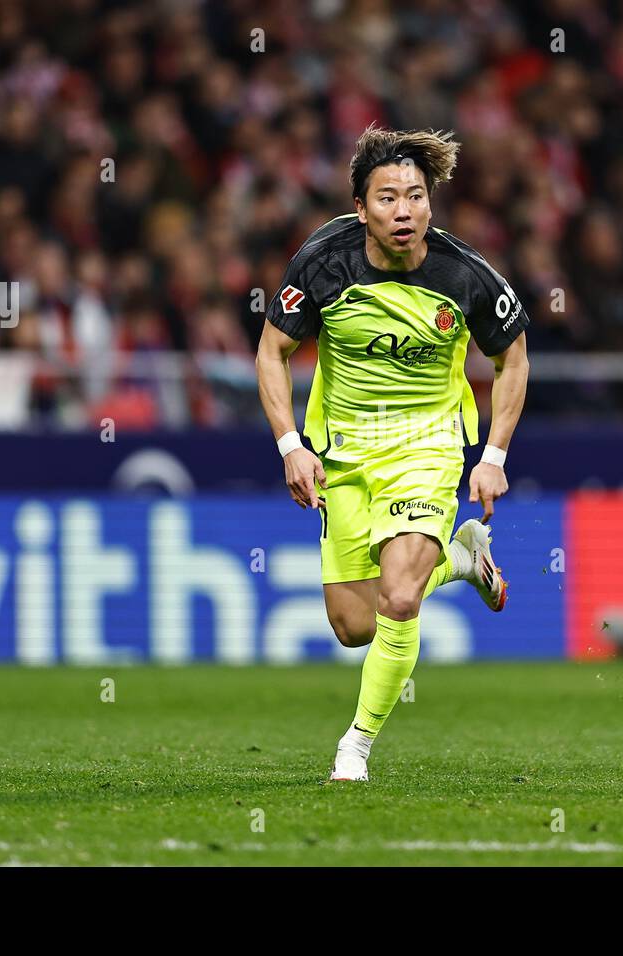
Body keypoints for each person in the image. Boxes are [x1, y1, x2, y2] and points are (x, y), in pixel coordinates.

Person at [256, 125, 530, 781]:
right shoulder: (323, 261)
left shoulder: (465, 275)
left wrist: (492, 454)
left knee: (400, 599)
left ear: (431, 204)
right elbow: (273, 350)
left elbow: (512, 356)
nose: (403, 211)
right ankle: (463, 559)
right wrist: (291, 445)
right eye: (387, 198)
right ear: (360, 208)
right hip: (347, 455)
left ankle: (355, 747)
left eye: (414, 197)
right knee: (355, 625)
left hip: (428, 449)